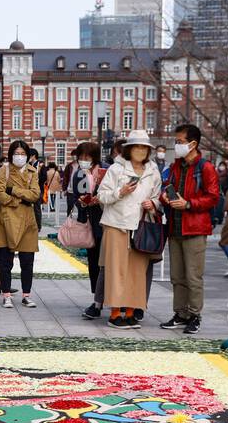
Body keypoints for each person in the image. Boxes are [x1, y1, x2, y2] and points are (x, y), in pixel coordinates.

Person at [96, 130, 161, 328]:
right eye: (137, 146)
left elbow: (157, 196)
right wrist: (120, 192)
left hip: (141, 226)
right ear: (129, 149)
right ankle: (115, 313)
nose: (141, 150)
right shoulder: (116, 169)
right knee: (116, 271)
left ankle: (131, 311)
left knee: (137, 272)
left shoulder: (153, 171)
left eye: (144, 147)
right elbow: (102, 196)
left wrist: (154, 203)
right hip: (117, 225)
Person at [158, 123, 217, 335]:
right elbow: (166, 188)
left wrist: (189, 204)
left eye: (180, 142)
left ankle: (195, 315)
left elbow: (213, 197)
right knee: (177, 276)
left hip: (194, 229)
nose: (177, 145)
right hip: (175, 227)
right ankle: (180, 313)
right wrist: (165, 198)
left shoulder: (205, 167)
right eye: (176, 141)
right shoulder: (175, 166)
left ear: (193, 143)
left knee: (193, 276)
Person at [0, 140, 42, 310]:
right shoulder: (3, 170)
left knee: (27, 260)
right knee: (6, 260)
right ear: (10, 154)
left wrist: (13, 191)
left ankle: (26, 295)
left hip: (28, 220)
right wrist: (18, 201)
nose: (19, 157)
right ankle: (6, 295)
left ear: (28, 155)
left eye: (23, 154)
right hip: (7, 218)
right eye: (17, 153)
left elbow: (35, 194)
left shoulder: (32, 172)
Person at [65, 142, 107, 319]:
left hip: (105, 223)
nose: (83, 161)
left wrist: (99, 198)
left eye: (87, 158)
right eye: (81, 157)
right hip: (88, 224)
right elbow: (74, 196)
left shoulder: (104, 172)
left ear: (95, 157)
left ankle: (110, 299)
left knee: (106, 263)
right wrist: (81, 201)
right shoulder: (78, 174)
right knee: (94, 262)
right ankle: (97, 300)